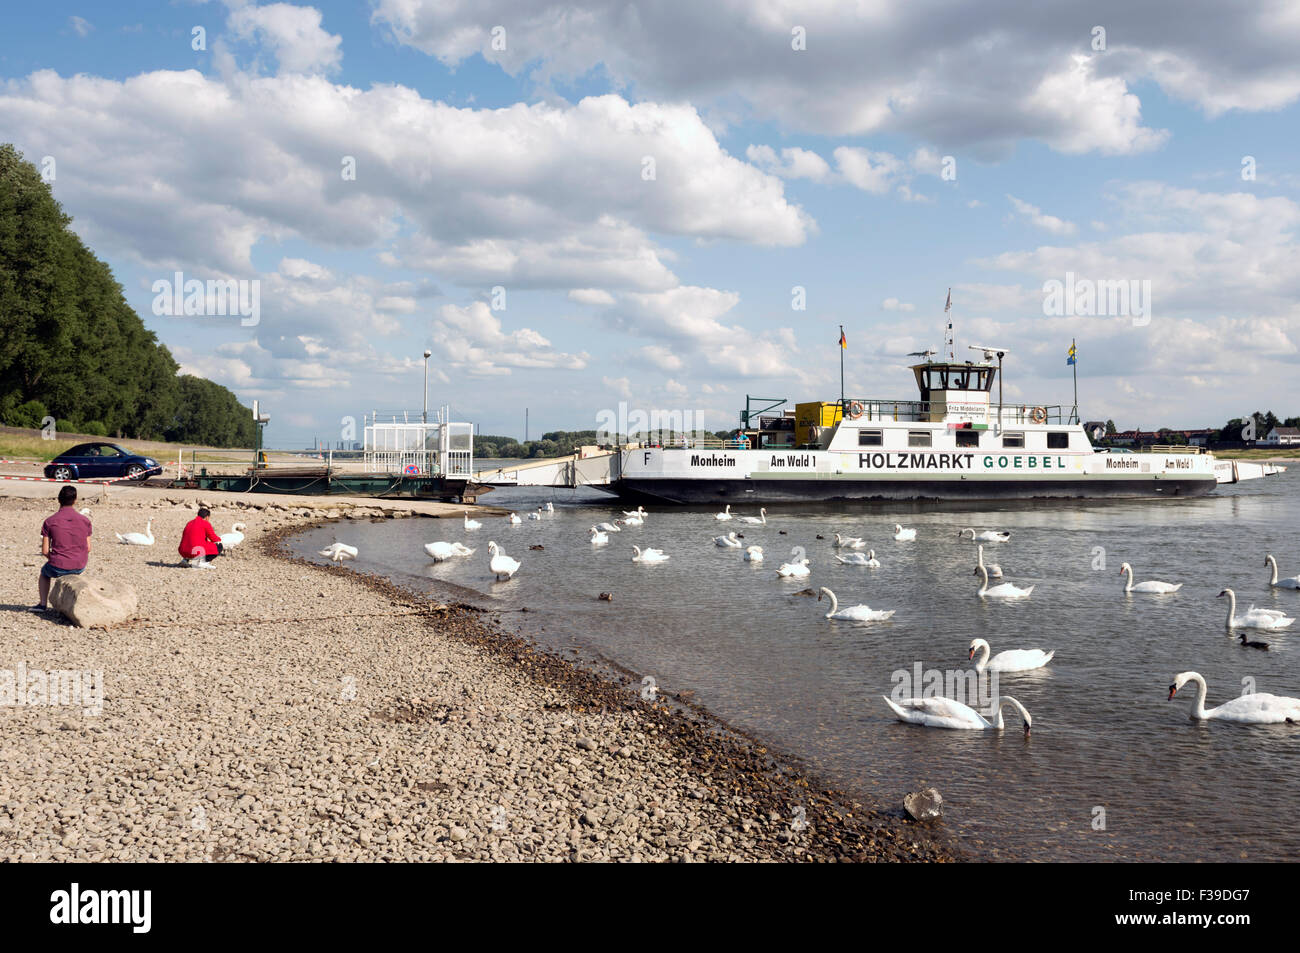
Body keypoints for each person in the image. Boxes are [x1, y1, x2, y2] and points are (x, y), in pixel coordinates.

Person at [34, 485, 92, 612]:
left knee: (44, 573)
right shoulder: (85, 521)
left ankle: (42, 604)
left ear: (58, 499)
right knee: (72, 571)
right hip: (79, 564)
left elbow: (44, 551)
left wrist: (55, 558)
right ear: (75, 500)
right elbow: (88, 548)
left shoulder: (49, 521)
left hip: (58, 565)